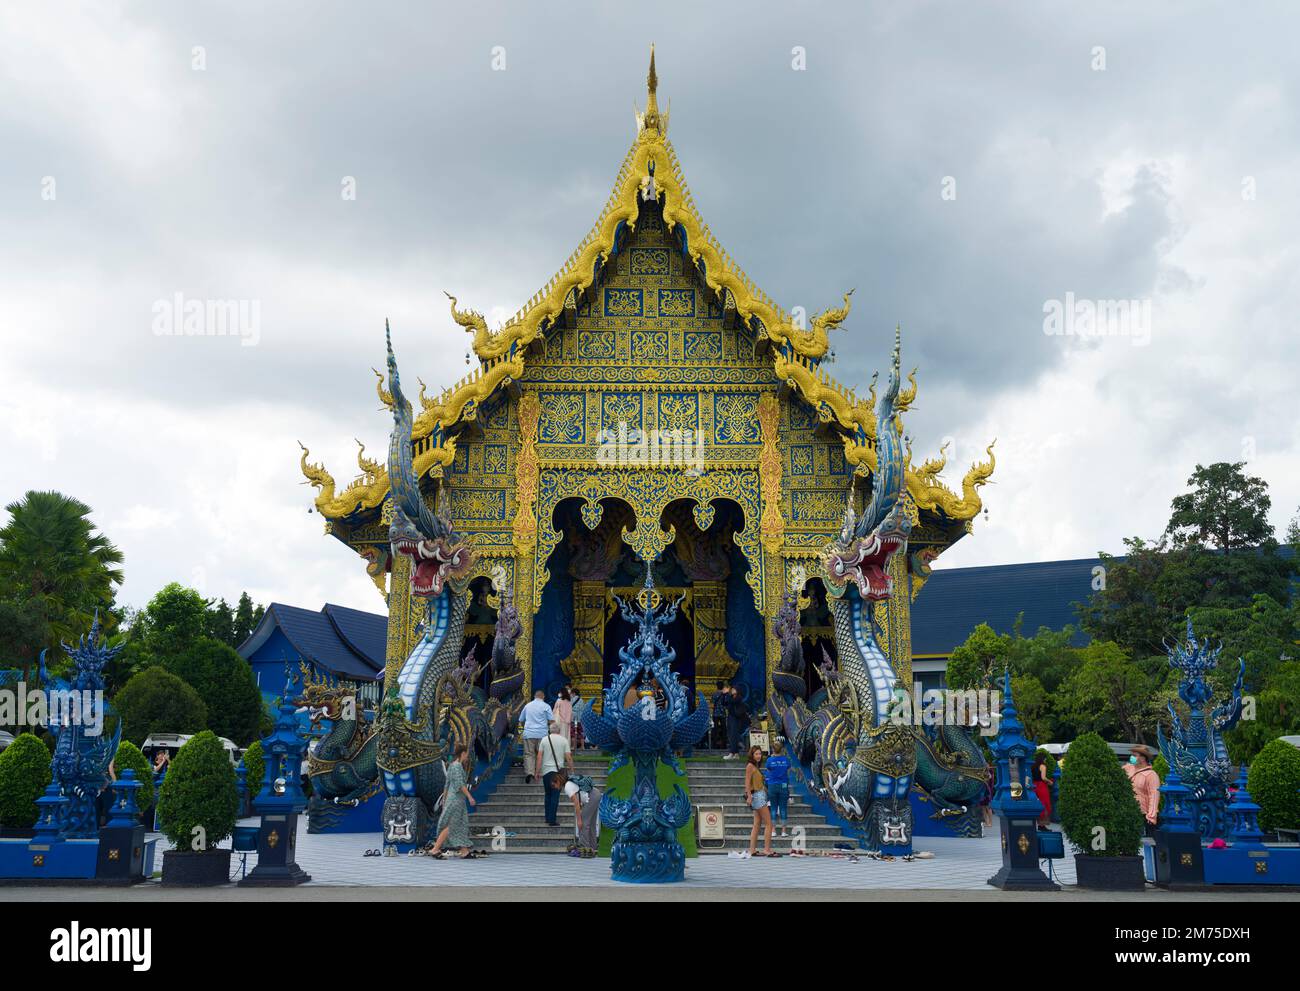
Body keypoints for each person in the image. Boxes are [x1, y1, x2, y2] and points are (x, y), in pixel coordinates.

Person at [429, 744, 478, 859]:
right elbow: (460, 785)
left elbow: (446, 785)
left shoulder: (452, 766)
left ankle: (464, 851)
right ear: (463, 753)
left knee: (459, 824)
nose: (467, 757)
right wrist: (470, 797)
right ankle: (435, 849)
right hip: (456, 800)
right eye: (467, 754)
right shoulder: (457, 767)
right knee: (451, 825)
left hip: (454, 799)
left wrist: (445, 800)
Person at [538, 720, 573, 826]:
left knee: (547, 795)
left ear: (550, 730)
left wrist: (537, 771)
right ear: (559, 731)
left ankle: (547, 818)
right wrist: (572, 769)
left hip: (546, 772)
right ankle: (552, 820)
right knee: (555, 796)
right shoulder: (564, 740)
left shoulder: (544, 740)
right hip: (558, 773)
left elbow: (539, 756)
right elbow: (568, 757)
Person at [744, 745, 775, 857]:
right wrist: (749, 796)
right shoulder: (750, 766)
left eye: (760, 754)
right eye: (756, 754)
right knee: (769, 823)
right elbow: (747, 782)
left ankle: (752, 849)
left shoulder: (755, 766)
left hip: (759, 794)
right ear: (752, 755)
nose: (758, 756)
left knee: (757, 824)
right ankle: (767, 849)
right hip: (757, 796)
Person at [564, 772, 602, 857]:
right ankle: (593, 848)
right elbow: (580, 797)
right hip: (596, 794)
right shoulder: (571, 782)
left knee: (584, 823)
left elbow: (576, 803)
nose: (555, 787)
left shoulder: (567, 786)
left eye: (554, 784)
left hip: (591, 797)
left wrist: (579, 820)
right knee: (591, 824)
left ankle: (584, 849)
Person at [519, 690, 553, 784]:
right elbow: (551, 720)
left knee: (529, 754)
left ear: (534, 696)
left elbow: (521, 719)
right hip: (542, 734)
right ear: (543, 697)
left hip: (529, 733)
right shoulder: (546, 706)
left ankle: (529, 772)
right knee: (541, 754)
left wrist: (526, 727)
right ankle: (540, 772)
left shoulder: (527, 706)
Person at [1127, 744, 1160, 835]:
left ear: (1143, 758)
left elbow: (1154, 796)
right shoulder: (1128, 769)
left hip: (1143, 815)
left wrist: (1151, 816)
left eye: (1134, 755)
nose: (1131, 757)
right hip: (1127, 812)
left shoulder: (1151, 775)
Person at [765, 738, 792, 837]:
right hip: (783, 784)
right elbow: (788, 771)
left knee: (773, 808)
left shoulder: (769, 760)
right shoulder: (786, 760)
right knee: (783, 808)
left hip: (772, 785)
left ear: (773, 749)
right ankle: (784, 831)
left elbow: (768, 771)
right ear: (782, 749)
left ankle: (773, 831)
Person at [1032, 755, 1053, 829]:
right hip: (1041, 786)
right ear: (1042, 759)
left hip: (1034, 785)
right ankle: (1042, 825)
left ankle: (1038, 824)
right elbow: (1043, 777)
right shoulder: (1043, 766)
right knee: (1045, 804)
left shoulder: (1033, 766)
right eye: (1045, 759)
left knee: (1037, 804)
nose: (1045, 760)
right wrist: (1050, 781)